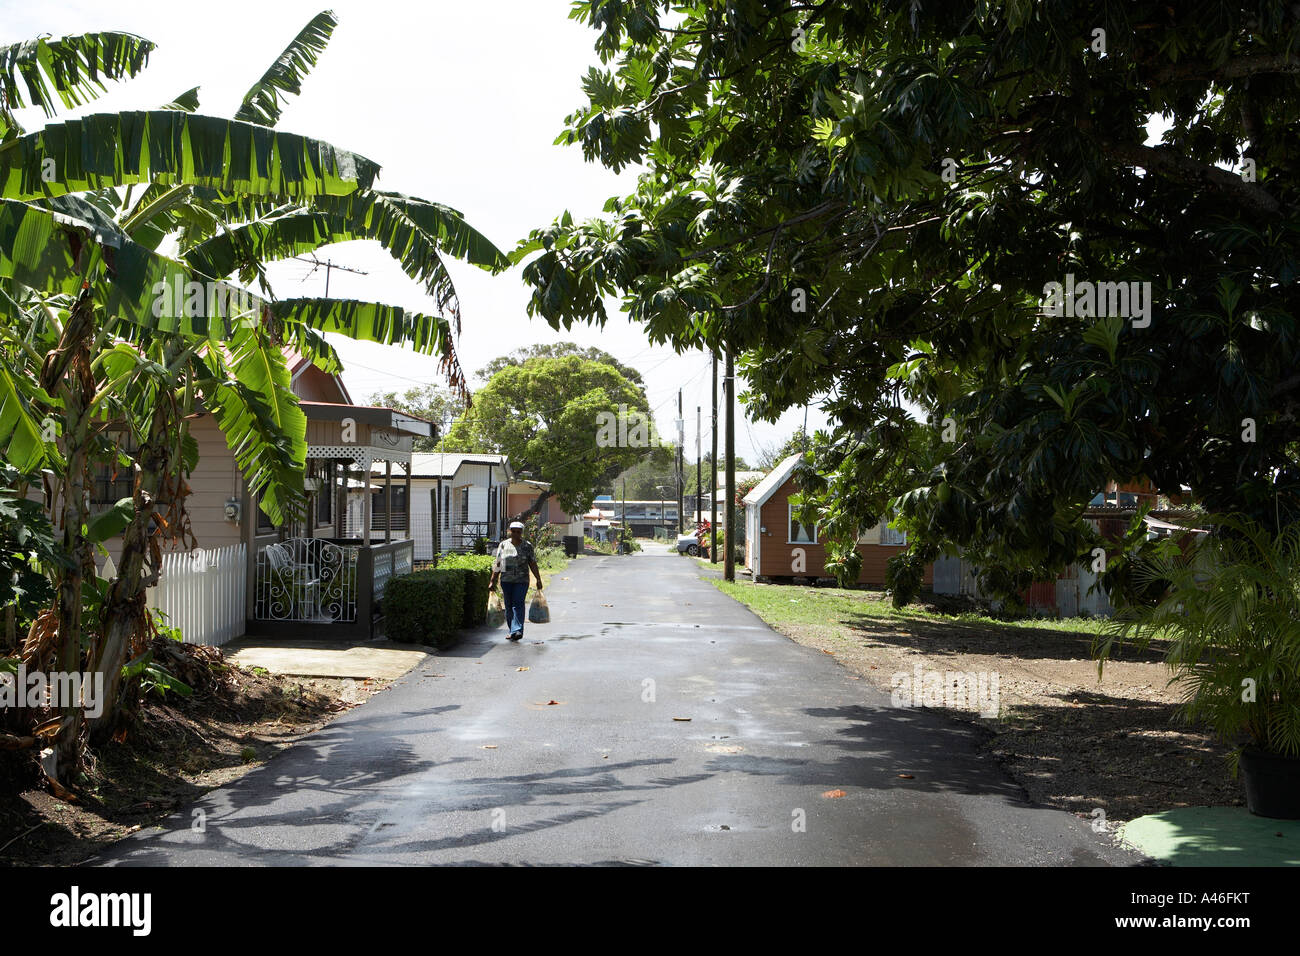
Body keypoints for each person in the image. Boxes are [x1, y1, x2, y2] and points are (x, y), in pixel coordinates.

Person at [489, 520, 543, 641]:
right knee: (508, 606)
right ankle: (512, 630)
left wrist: (538, 579)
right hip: (506, 580)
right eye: (513, 531)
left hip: (521, 581)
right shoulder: (503, 545)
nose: (516, 534)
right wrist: (493, 579)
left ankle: (517, 630)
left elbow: (532, 563)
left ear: (521, 533)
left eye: (518, 532)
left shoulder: (527, 546)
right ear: (510, 532)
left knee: (518, 604)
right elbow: (498, 563)